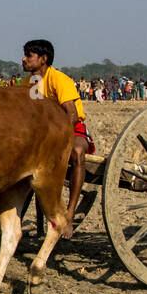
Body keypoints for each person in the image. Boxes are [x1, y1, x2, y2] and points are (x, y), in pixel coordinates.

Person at [21, 40, 91, 239]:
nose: (23, 59)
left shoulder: (58, 79)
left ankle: (69, 213)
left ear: (43, 59)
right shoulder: (29, 83)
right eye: (24, 54)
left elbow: (72, 115)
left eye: (29, 55)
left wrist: (53, 139)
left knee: (77, 153)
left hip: (71, 131)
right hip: (43, 137)